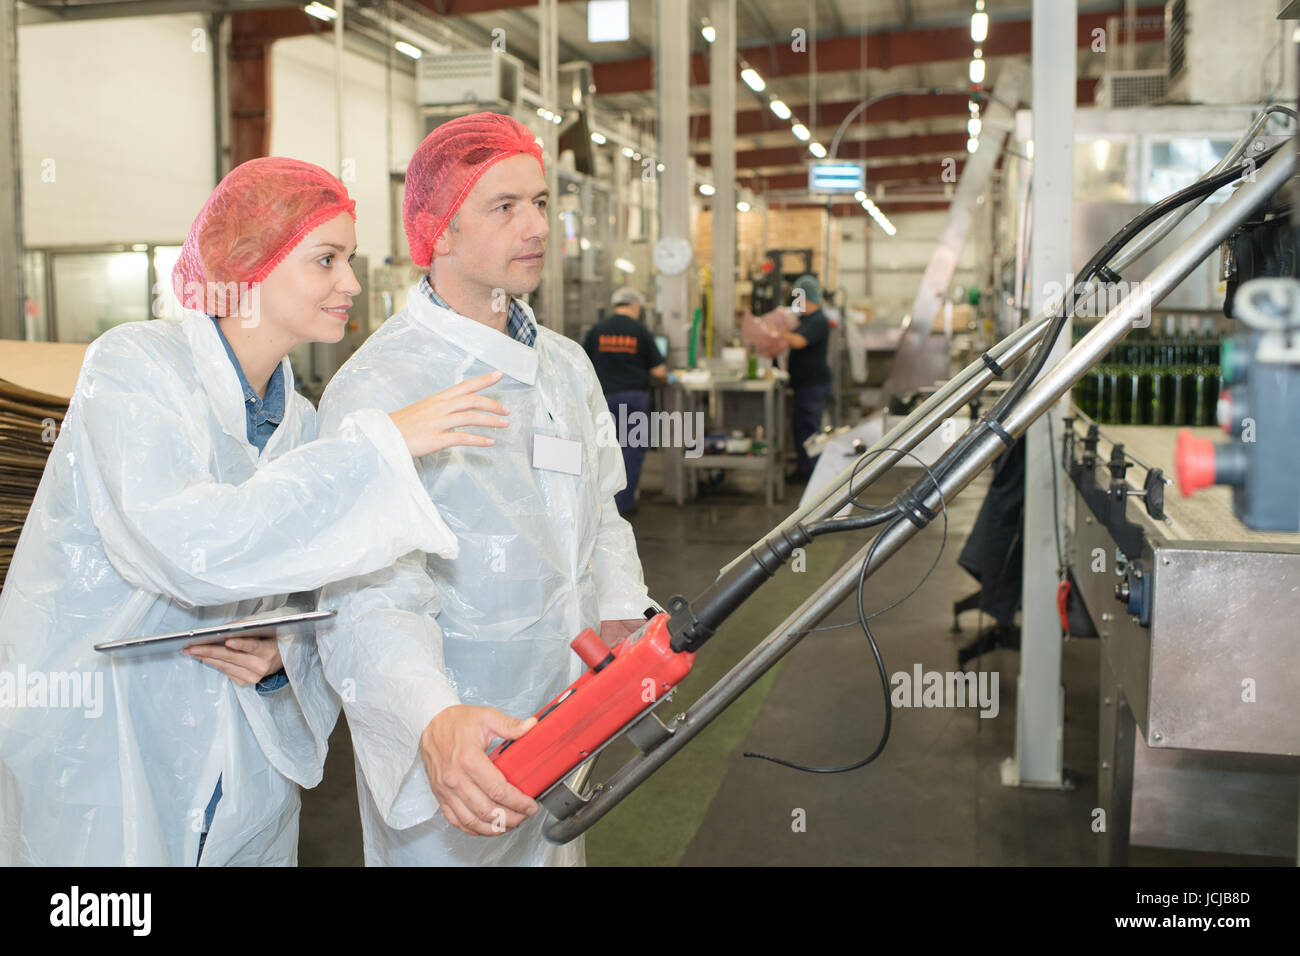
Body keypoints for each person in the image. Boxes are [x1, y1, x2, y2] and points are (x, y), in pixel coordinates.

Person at [0, 157, 511, 866]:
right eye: (325, 260)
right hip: (103, 743)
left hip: (240, 769)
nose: (352, 284)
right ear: (247, 266)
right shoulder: (136, 368)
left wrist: (285, 658)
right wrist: (383, 444)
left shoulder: (299, 422)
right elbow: (187, 547)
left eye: (350, 259)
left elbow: (312, 594)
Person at [316, 111, 652, 866]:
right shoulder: (379, 386)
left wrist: (623, 614)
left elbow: (601, 510)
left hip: (569, 719)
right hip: (458, 747)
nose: (535, 226)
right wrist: (434, 716)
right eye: (504, 208)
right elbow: (367, 597)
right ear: (439, 232)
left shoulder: (565, 365)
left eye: (539, 203)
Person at [582, 286, 667, 515]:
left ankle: (599, 506)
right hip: (633, 399)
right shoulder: (639, 331)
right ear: (635, 306)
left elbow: (581, 365)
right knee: (630, 451)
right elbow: (659, 371)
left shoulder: (598, 330)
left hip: (602, 399)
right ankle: (623, 505)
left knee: (602, 451)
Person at [784, 274, 833, 482]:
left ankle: (813, 474)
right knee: (800, 429)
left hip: (813, 385)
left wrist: (774, 332)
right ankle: (804, 469)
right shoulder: (804, 319)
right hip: (803, 384)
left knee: (810, 430)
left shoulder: (819, 320)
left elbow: (799, 341)